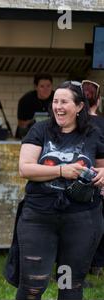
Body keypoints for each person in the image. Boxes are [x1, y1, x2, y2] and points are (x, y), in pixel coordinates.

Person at [16, 81, 104, 300]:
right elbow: (25, 168)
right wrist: (62, 170)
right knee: (32, 286)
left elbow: (102, 167)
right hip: (39, 218)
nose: (58, 107)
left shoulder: (93, 133)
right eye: (56, 101)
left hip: (81, 220)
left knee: (70, 284)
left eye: (64, 102)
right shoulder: (40, 129)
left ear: (80, 106)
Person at [83, 79, 104, 277]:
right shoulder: (102, 123)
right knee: (99, 223)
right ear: (98, 101)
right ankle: (97, 264)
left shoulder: (74, 124)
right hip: (100, 180)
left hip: (77, 181)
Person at [16, 73, 54, 139]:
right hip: (28, 134)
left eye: (48, 86)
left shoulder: (57, 98)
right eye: (42, 86)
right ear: (36, 87)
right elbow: (21, 124)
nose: (46, 89)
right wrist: (34, 120)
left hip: (52, 135)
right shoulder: (26, 100)